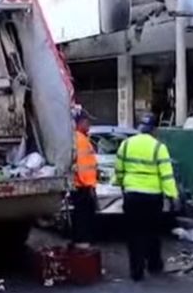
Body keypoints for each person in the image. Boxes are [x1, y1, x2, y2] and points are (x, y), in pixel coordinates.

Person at [114, 113, 179, 282]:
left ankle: (136, 272)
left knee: (134, 233)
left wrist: (122, 184)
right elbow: (166, 175)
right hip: (152, 197)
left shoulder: (126, 145)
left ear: (139, 128)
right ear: (154, 130)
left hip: (132, 195)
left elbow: (119, 170)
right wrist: (173, 196)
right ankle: (154, 265)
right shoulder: (159, 147)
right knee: (152, 231)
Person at [70, 109, 98, 248]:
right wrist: (89, 186)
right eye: (88, 122)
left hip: (82, 186)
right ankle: (82, 244)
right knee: (83, 217)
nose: (89, 125)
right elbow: (81, 166)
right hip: (83, 187)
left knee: (82, 216)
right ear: (80, 122)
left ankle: (81, 242)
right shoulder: (79, 139)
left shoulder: (81, 138)